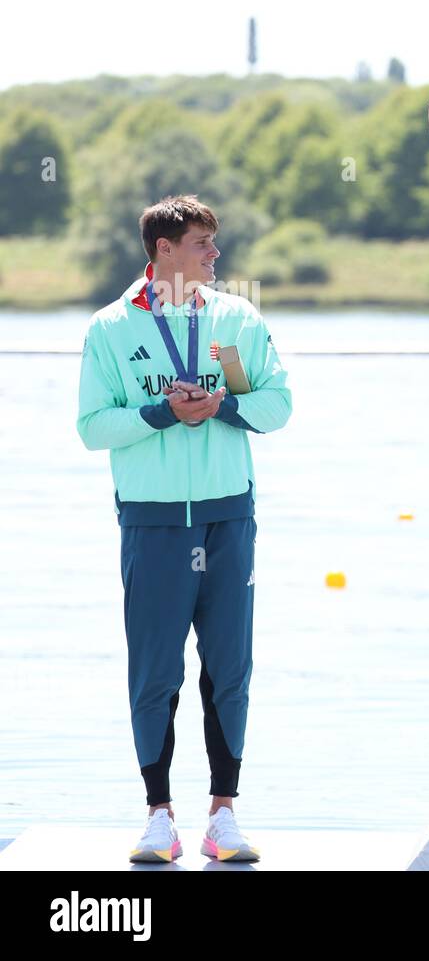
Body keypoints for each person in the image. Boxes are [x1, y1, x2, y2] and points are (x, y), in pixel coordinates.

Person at [77, 195, 292, 862]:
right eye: (202, 243)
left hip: (230, 515)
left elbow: (277, 405)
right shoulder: (110, 329)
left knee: (230, 667)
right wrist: (162, 413)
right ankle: (158, 817)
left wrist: (223, 403)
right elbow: (92, 428)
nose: (214, 254)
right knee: (155, 672)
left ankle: (223, 815)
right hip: (154, 523)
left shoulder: (236, 319)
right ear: (164, 251)